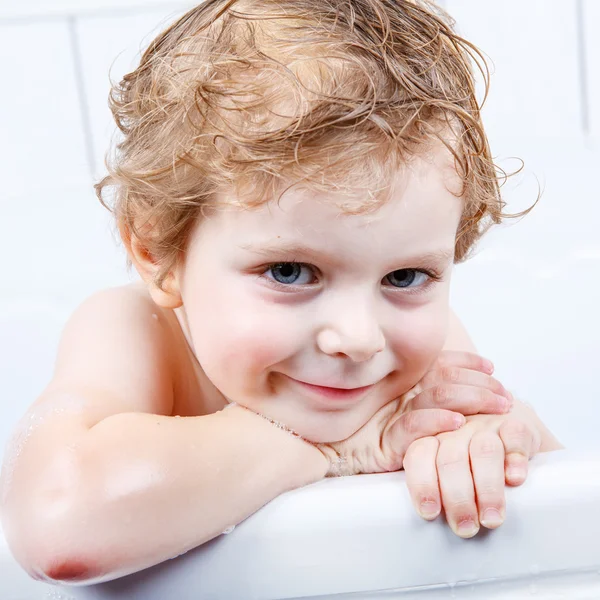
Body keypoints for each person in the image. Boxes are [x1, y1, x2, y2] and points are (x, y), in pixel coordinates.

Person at [0, 0, 562, 587]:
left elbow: (569, 532)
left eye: (404, 277)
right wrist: (336, 451)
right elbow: (56, 527)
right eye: (290, 272)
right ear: (157, 254)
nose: (358, 337)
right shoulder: (129, 329)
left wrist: (500, 441)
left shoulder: (421, 360)